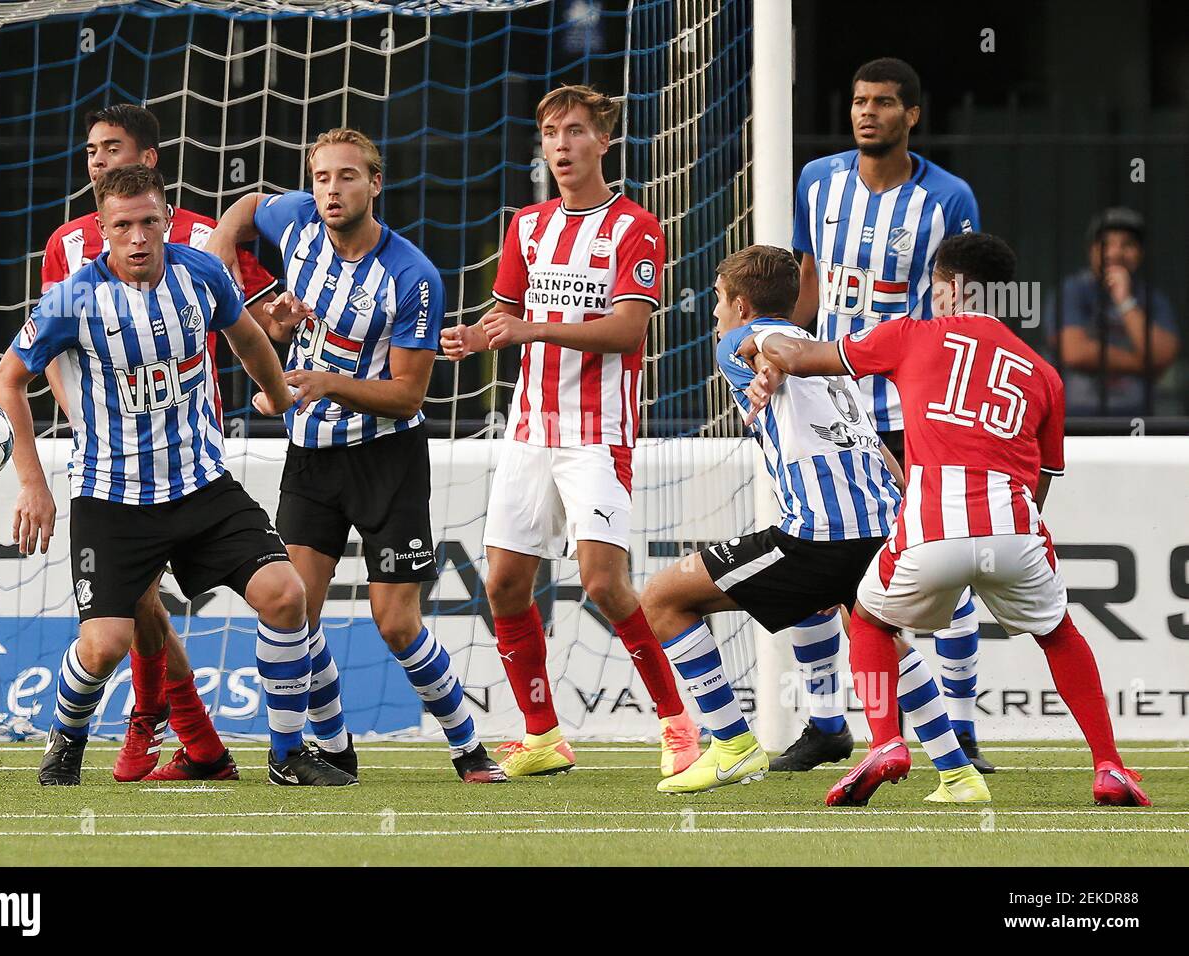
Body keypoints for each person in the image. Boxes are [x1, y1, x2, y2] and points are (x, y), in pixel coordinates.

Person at [742, 232, 1152, 808]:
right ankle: (1109, 765)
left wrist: (757, 338)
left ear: (948, 289)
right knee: (1059, 634)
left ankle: (886, 742)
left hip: (932, 528)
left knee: (869, 621)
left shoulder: (910, 337)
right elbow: (1042, 483)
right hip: (1014, 524)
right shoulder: (1044, 372)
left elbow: (797, 357)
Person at [0, 164, 354, 787]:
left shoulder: (203, 272)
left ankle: (288, 753)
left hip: (202, 485)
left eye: (149, 222)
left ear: (167, 221)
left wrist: (277, 394)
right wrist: (32, 482)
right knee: (105, 644)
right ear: (102, 230)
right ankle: (67, 736)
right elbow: (8, 380)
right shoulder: (73, 298)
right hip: (113, 498)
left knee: (287, 596)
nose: (138, 238)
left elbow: (246, 337)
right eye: (123, 226)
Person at [205, 128, 506, 784]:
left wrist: (321, 380)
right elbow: (253, 203)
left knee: (396, 623)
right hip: (312, 457)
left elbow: (406, 395)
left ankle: (469, 749)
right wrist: (224, 240)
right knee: (293, 611)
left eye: (347, 177)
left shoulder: (412, 277)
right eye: (320, 178)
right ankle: (332, 746)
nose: (331, 190)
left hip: (386, 460)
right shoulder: (301, 225)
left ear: (375, 184)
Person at [639, 245, 986, 801]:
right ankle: (958, 773)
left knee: (662, 597)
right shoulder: (828, 359)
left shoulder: (740, 342)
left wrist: (763, 352)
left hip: (820, 536)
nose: (714, 315)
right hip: (883, 525)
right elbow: (878, 450)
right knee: (880, 637)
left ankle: (732, 744)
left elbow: (751, 343)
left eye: (718, 302)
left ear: (743, 305)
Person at [440, 84, 701, 779]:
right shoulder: (526, 225)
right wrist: (474, 335)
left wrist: (531, 327)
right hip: (528, 431)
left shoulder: (635, 226)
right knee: (502, 585)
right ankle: (543, 735)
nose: (560, 144)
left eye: (576, 131)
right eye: (551, 132)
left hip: (597, 434)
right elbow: (503, 315)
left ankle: (679, 726)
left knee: (603, 584)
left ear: (604, 142)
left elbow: (627, 329)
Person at [41, 104, 280, 783]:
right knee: (133, 606)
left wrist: (282, 323)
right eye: (90, 150)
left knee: (243, 592)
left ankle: (176, 731)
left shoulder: (199, 239)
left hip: (190, 455)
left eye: (111, 148)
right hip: (114, 463)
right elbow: (52, 350)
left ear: (149, 158)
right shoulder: (68, 247)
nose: (96, 160)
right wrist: (79, 417)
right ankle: (184, 736)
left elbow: (255, 317)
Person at [791, 57, 992, 772]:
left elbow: (962, 303)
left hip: (911, 410)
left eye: (882, 102)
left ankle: (962, 727)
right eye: (857, 101)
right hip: (826, 409)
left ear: (913, 115)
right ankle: (824, 722)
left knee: (941, 559)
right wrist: (784, 356)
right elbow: (808, 279)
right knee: (812, 559)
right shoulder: (818, 181)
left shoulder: (949, 197)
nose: (866, 112)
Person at [1053, 207, 1179, 416]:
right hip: (1076, 423)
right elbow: (1074, 352)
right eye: (1105, 244)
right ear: (1091, 250)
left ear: (1140, 253)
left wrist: (1124, 300)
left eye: (1127, 244)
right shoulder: (1072, 290)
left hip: (1141, 423)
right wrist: (1142, 363)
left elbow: (1162, 356)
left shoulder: (1153, 298)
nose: (1115, 253)